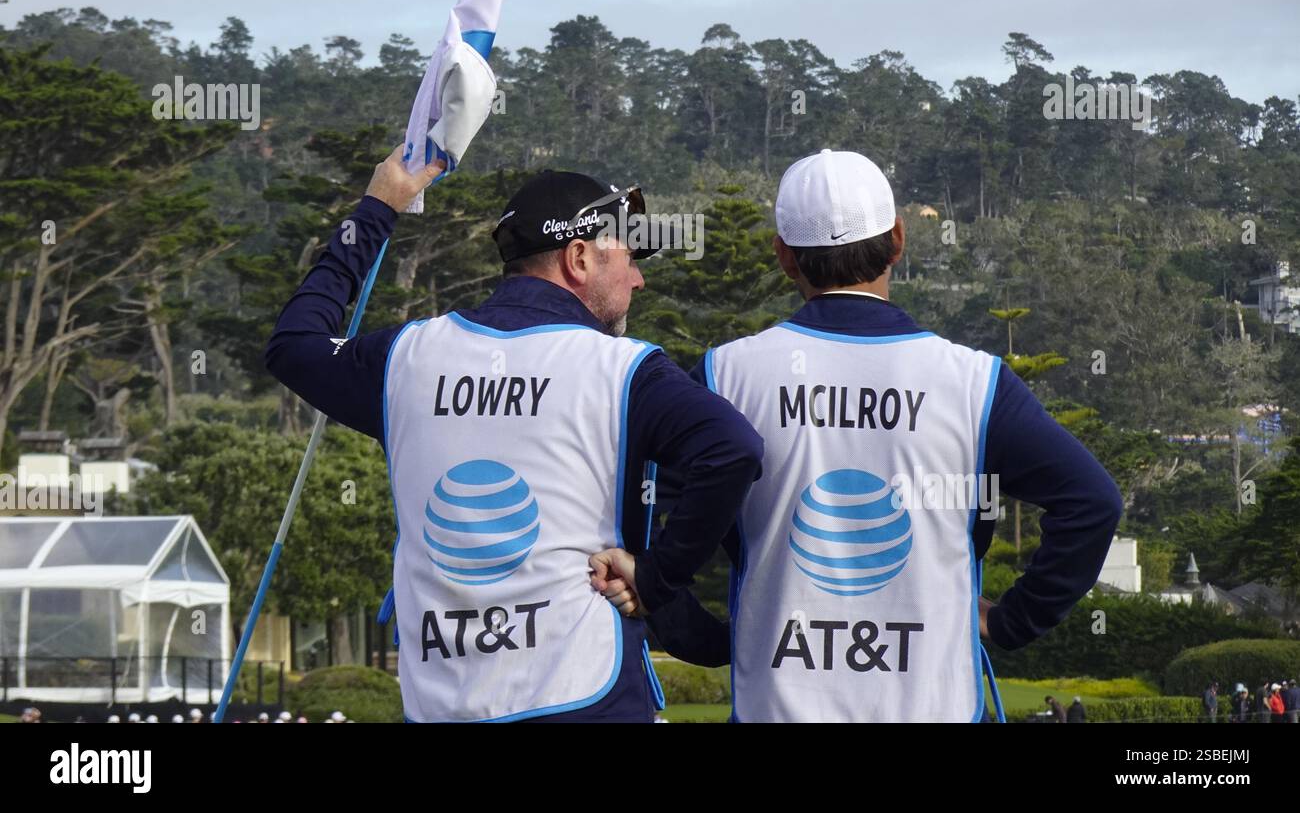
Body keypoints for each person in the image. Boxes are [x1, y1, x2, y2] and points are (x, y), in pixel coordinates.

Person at [599, 150, 1123, 723]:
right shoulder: (972, 382)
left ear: (782, 257)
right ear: (898, 240)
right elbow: (1093, 503)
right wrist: (1012, 619)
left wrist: (696, 633)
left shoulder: (729, 374)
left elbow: (647, 519)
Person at [266, 149, 762, 723]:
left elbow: (294, 343)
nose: (638, 277)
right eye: (627, 256)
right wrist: (656, 578)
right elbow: (732, 449)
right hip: (586, 700)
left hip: (443, 706)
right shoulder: (623, 367)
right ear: (579, 257)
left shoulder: (408, 357)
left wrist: (379, 206)